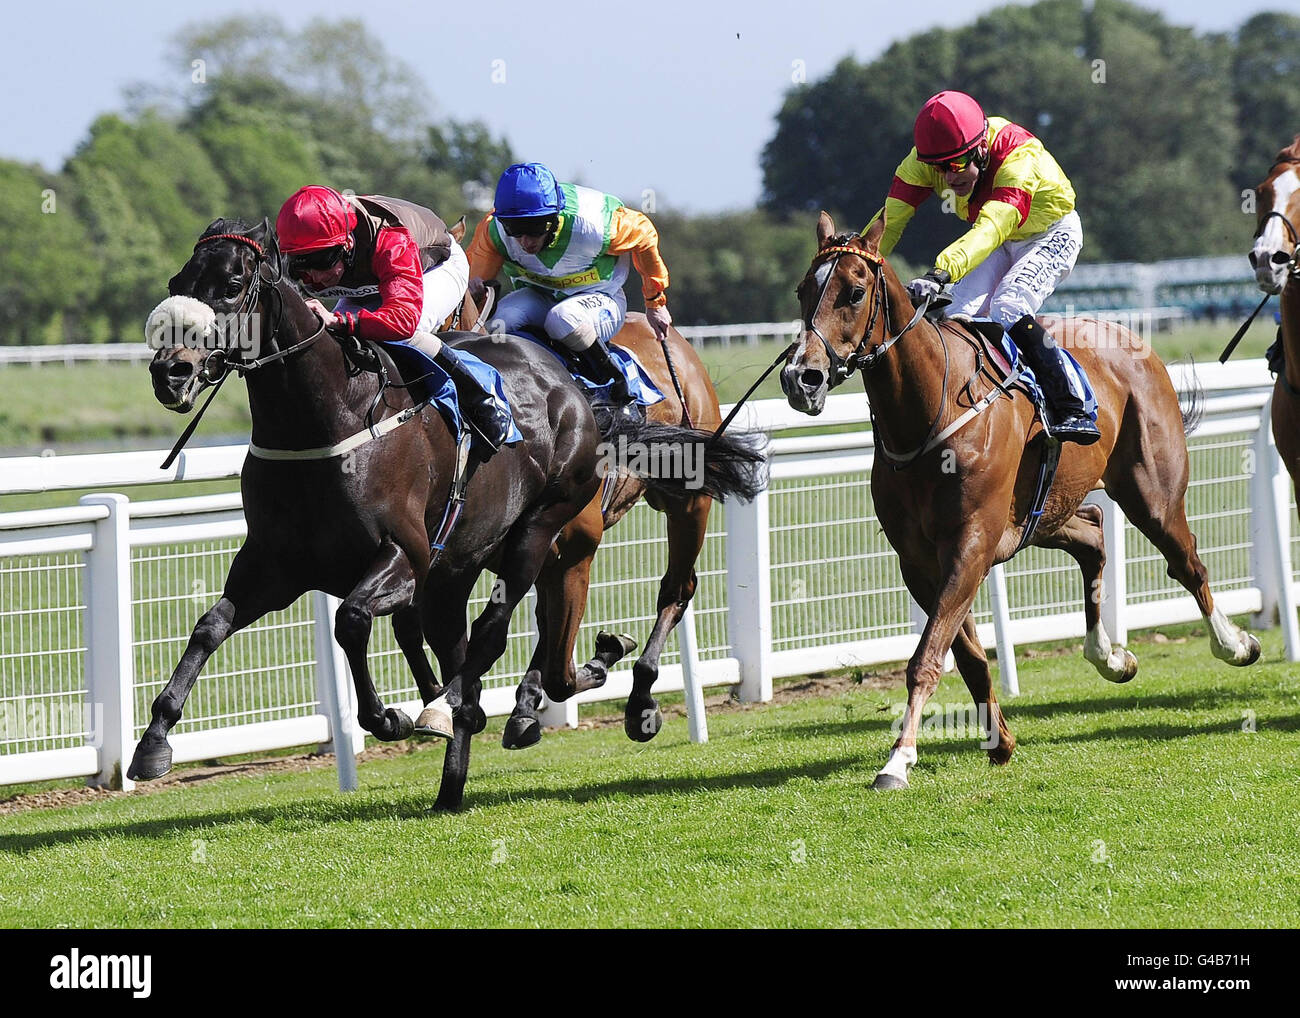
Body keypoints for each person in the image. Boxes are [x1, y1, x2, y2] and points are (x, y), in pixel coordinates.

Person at [870, 90, 1099, 445]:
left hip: (1051, 233)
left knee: (1009, 304)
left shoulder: (1017, 156)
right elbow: (893, 219)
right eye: (938, 167)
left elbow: (991, 228)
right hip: (1002, 240)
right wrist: (862, 254)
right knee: (957, 314)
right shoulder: (926, 160)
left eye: (957, 165)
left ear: (980, 147)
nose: (948, 177)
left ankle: (1073, 404)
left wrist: (940, 273)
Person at [275, 185, 511, 448]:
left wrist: (340, 321)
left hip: (433, 267)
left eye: (324, 259)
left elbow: (402, 321)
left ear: (347, 242)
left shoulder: (391, 240)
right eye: (303, 264)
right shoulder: (296, 249)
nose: (316, 276)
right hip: (369, 279)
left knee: (406, 335)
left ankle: (481, 398)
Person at [466, 162, 673, 409]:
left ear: (554, 217)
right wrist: (474, 292)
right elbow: (473, 286)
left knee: (562, 317)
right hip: (538, 296)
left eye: (534, 228)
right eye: (514, 229)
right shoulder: (494, 230)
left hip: (600, 298)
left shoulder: (596, 225)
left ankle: (618, 387)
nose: (525, 241)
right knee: (498, 320)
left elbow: (644, 233)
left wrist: (655, 301)